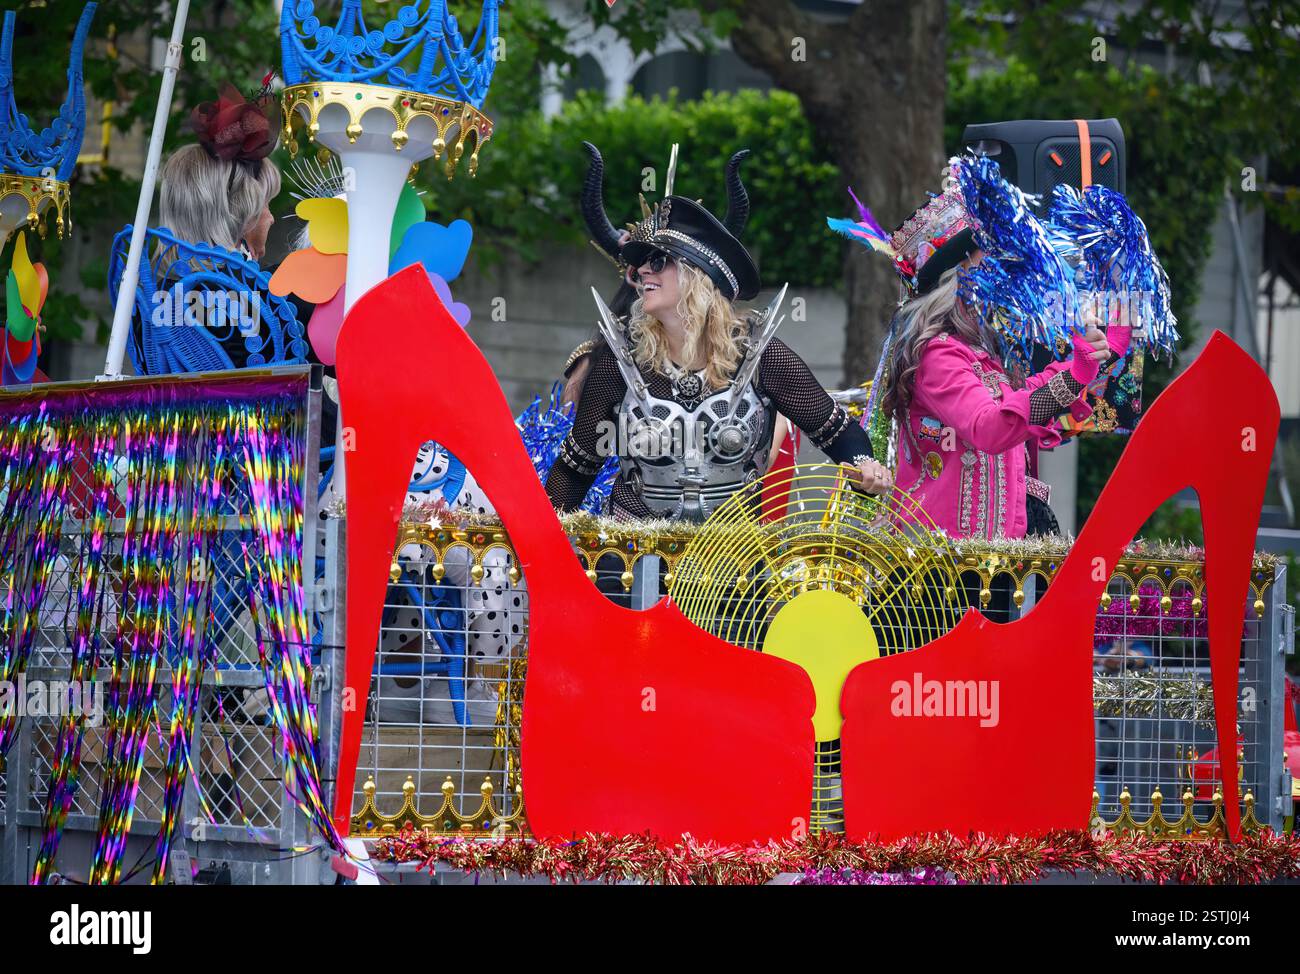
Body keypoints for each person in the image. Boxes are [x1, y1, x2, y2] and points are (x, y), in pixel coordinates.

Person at [547, 146, 892, 522]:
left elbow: (837, 432)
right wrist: (538, 545)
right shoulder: (621, 362)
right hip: (634, 560)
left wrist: (864, 465)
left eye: (658, 261)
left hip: (731, 565)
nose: (643, 272)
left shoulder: (763, 358)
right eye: (640, 262)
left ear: (699, 279)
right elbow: (575, 469)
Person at [831, 157, 1131, 543]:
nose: (1004, 280)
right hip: (941, 567)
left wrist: (1083, 365)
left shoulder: (986, 351)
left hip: (992, 558)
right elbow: (989, 428)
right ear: (960, 279)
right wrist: (1075, 374)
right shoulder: (936, 354)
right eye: (988, 266)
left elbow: (1025, 406)